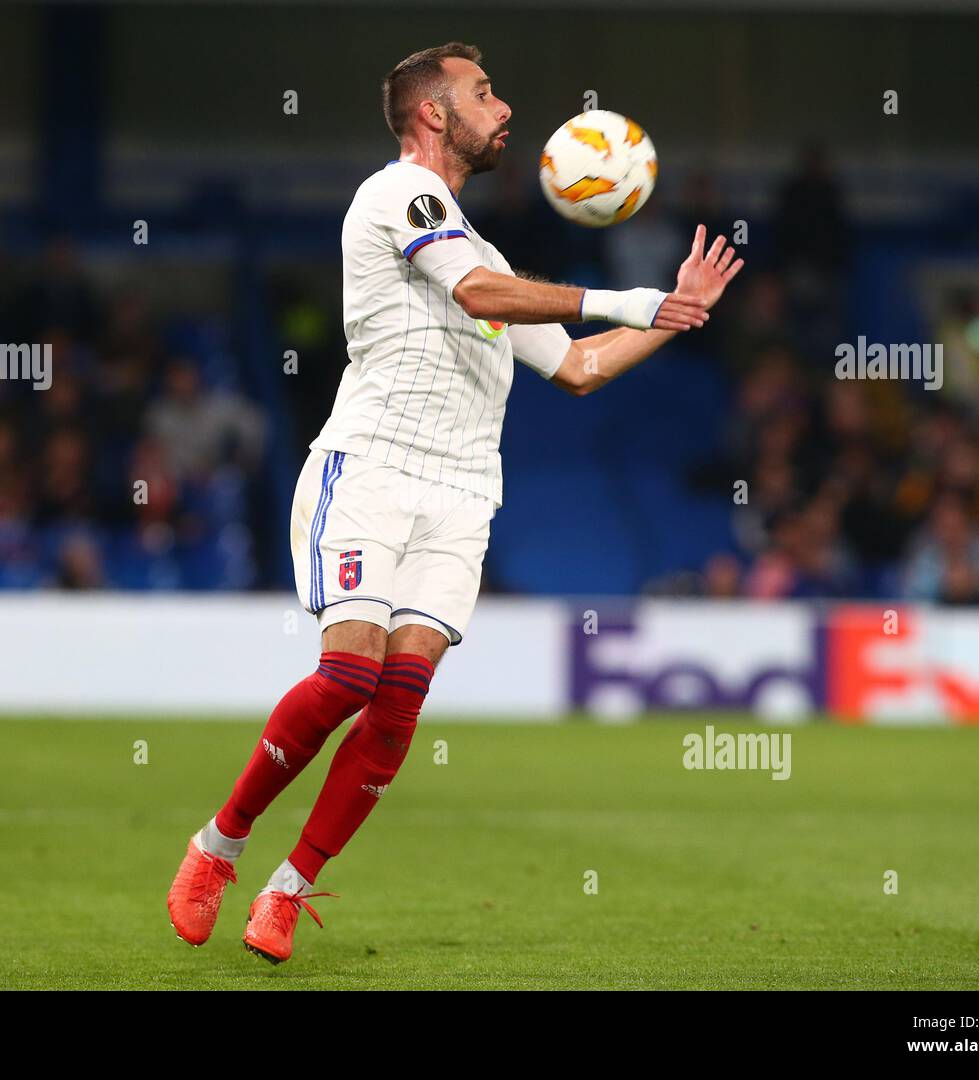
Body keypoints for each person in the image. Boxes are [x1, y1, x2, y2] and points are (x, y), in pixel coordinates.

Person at [167, 41, 743, 964]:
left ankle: (289, 887)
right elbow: (477, 292)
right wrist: (625, 297)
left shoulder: (492, 258)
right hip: (371, 471)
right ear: (433, 114)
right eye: (483, 92)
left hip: (462, 495)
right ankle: (219, 845)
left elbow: (583, 369)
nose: (505, 106)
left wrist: (672, 312)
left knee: (398, 706)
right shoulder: (397, 197)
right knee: (349, 676)